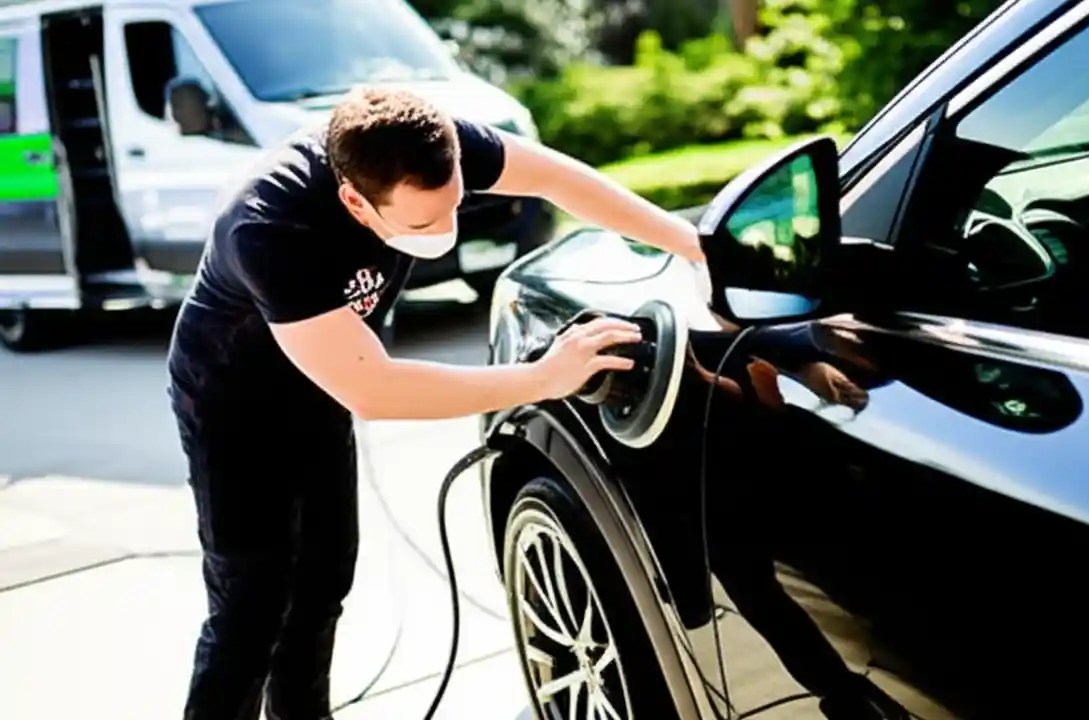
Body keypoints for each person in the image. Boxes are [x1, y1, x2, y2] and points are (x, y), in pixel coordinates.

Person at [165, 85, 707, 720]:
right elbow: (374, 389)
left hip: (321, 392)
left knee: (320, 586)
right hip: (235, 408)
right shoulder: (268, 226)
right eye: (423, 223)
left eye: (453, 209)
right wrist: (543, 376)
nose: (444, 233)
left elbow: (561, 179)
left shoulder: (429, 142)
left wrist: (690, 243)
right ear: (353, 202)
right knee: (250, 607)